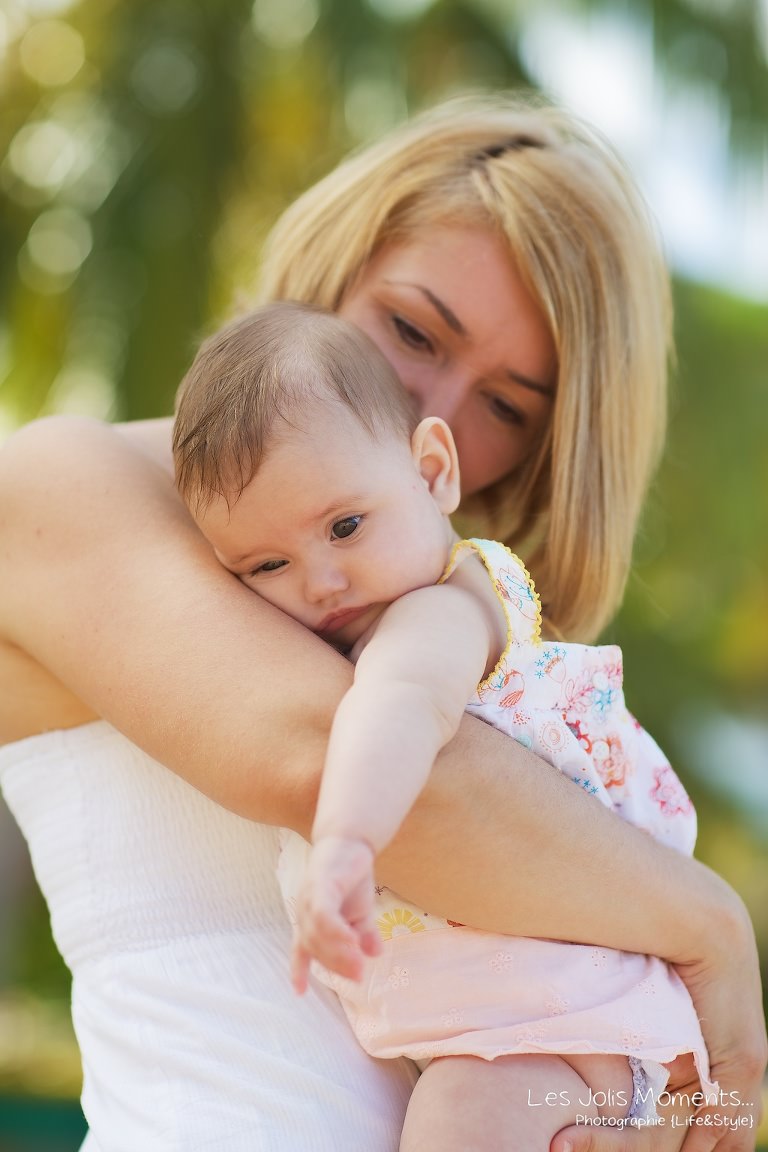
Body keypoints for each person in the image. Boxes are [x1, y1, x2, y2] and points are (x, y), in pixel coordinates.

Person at [0, 93, 763, 1152]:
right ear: (331, 263)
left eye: (507, 406)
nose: (430, 407)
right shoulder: (61, 480)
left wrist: (614, 1097)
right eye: (410, 329)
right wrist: (707, 924)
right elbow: (338, 763)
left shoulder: (463, 613)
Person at [173, 299, 719, 1149]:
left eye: (345, 525)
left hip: (567, 1029)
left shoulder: (442, 610)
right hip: (547, 1031)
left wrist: (349, 842)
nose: (319, 580)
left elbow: (402, 704)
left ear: (433, 472)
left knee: (459, 1124)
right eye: (266, 564)